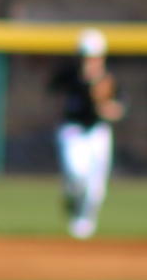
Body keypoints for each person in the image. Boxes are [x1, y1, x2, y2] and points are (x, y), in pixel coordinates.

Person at [48, 28, 126, 239]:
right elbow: (53, 96)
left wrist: (104, 106)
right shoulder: (68, 76)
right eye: (85, 56)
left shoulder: (108, 80)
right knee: (77, 174)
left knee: (96, 188)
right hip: (72, 131)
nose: (88, 61)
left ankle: (84, 223)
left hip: (97, 132)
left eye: (92, 57)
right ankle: (73, 204)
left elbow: (119, 109)